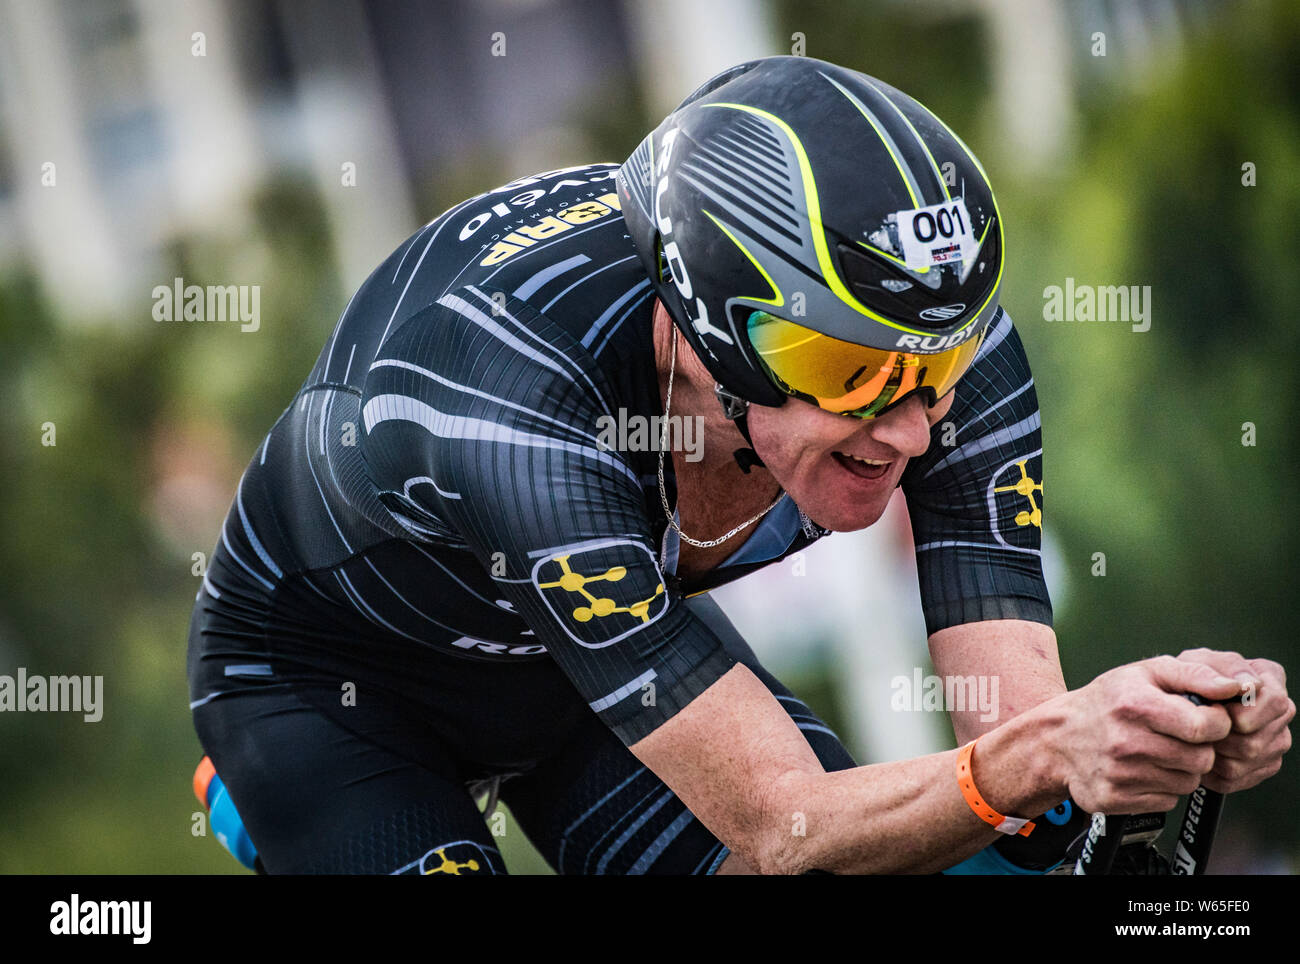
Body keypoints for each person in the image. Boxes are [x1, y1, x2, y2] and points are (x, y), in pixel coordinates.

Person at [186, 55, 1292, 875]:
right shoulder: (515, 401)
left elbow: (1024, 761)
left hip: (578, 663)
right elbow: (786, 824)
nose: (906, 428)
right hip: (334, 692)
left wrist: (1151, 743)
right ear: (709, 329)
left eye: (937, 371)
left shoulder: (937, 343)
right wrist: (1044, 754)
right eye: (844, 371)